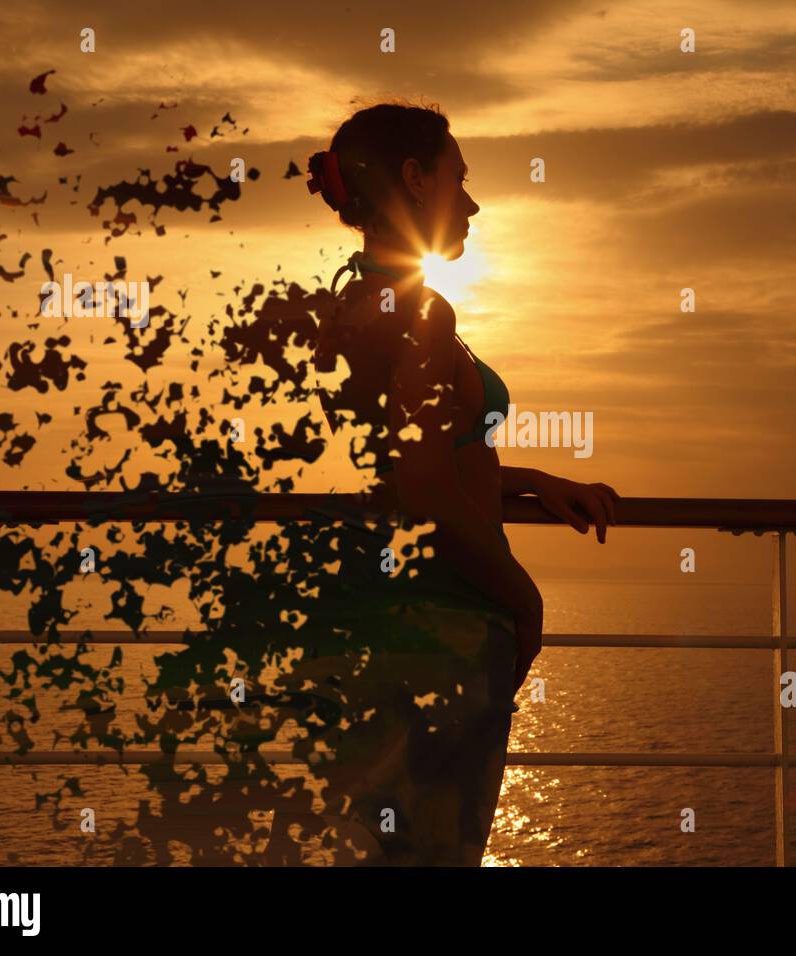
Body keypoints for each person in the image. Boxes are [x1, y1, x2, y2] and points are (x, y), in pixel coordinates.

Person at [267, 100, 619, 865]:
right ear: (416, 179)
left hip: (368, 625)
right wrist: (523, 598)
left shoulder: (357, 305)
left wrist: (523, 479)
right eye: (460, 180)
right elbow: (423, 486)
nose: (472, 202)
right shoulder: (423, 310)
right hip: (442, 627)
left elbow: (413, 455)